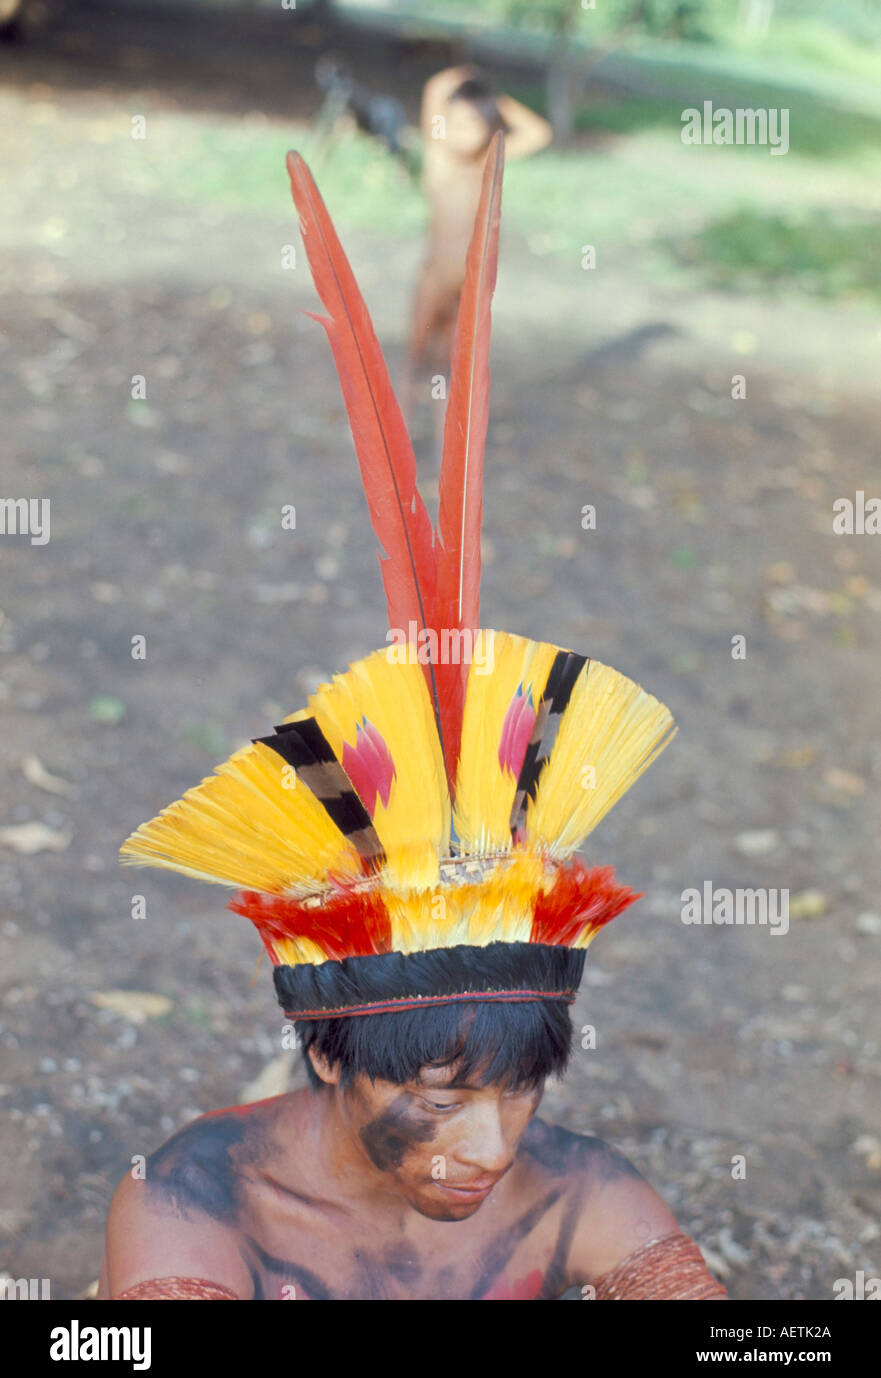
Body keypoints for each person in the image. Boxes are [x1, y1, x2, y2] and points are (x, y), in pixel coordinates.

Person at [99, 140, 727, 1301]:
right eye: (435, 1099)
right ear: (330, 1047)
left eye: (518, 1089)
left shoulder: (580, 1194)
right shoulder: (196, 1197)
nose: (487, 1148)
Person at [408, 66, 551, 418]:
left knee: (453, 372)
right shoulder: (438, 158)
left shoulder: (490, 160)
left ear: (490, 127)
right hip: (434, 281)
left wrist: (492, 101)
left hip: (470, 291)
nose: (460, 133)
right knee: (414, 362)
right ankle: (401, 431)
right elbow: (434, 89)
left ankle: (446, 460)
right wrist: (463, 75)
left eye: (472, 124)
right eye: (454, 124)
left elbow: (539, 133)